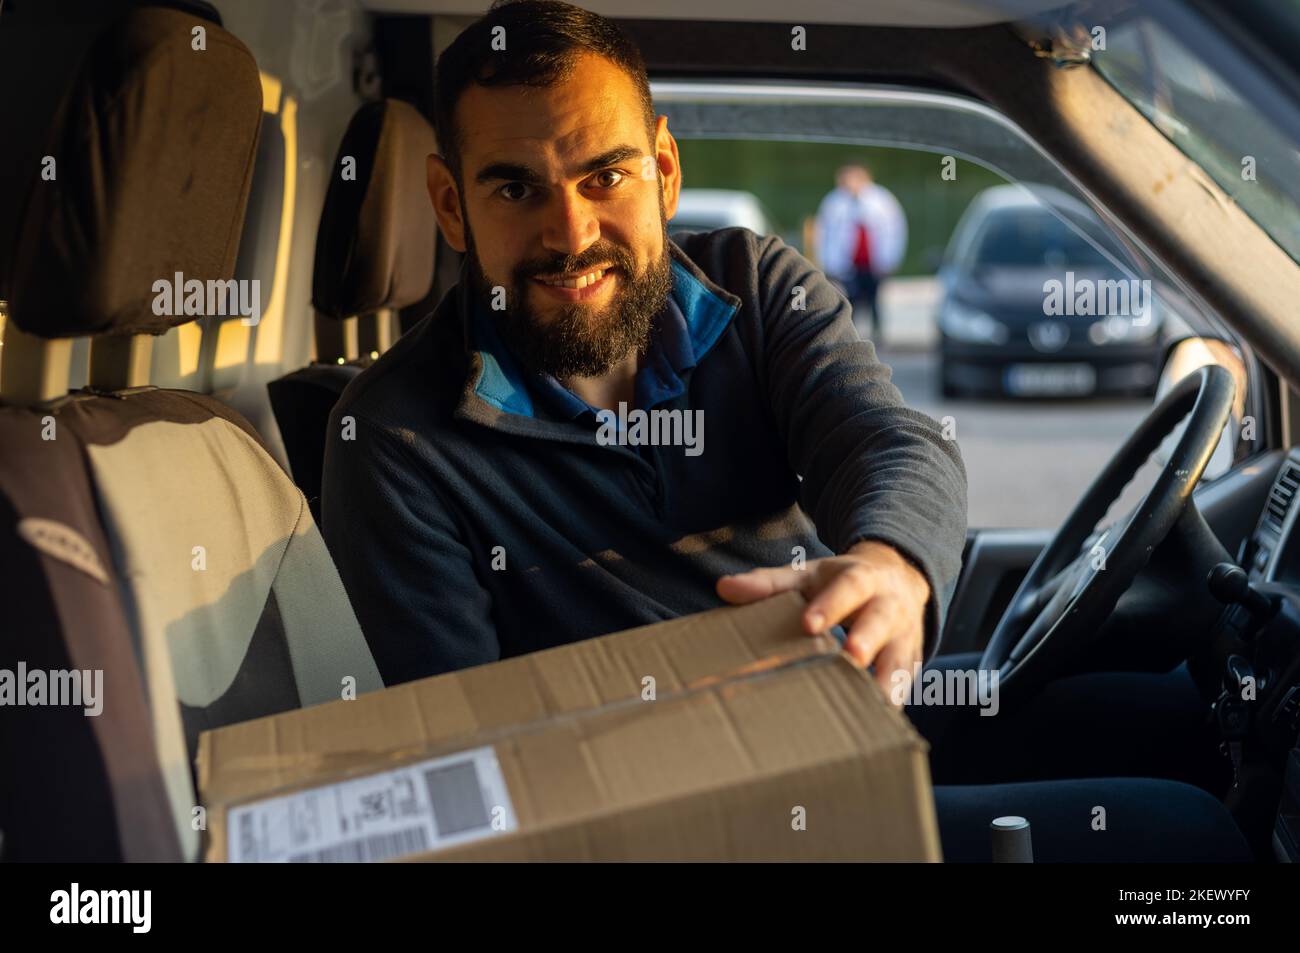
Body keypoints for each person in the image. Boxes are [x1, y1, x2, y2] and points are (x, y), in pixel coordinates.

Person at [321, 0, 1248, 863]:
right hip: (683, 821)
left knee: (1183, 715)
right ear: (450, 205)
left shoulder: (757, 289)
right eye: (515, 188)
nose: (571, 231)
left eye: (605, 174)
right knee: (1188, 836)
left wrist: (890, 565)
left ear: (666, 170)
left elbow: (888, 441)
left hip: (832, 695)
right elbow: (480, 782)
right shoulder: (394, 441)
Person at [813, 163, 907, 343]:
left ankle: (878, 335)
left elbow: (895, 230)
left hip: (873, 262)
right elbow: (823, 234)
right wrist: (827, 262)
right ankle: (852, 337)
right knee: (850, 301)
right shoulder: (834, 201)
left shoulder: (882, 200)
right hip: (847, 264)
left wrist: (890, 258)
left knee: (874, 300)